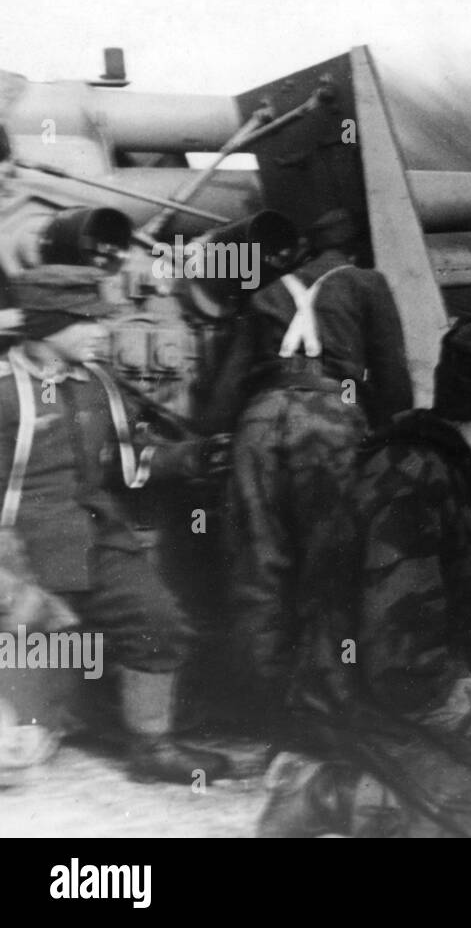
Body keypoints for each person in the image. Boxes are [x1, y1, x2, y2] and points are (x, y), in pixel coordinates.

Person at [258, 317, 471, 837]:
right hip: (357, 698)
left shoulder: (443, 463)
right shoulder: (417, 484)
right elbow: (404, 670)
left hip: (378, 681)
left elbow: (470, 584)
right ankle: (325, 789)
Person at [0, 266, 229, 782]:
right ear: (48, 325)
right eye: (85, 320)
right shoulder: (4, 392)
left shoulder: (96, 385)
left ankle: (153, 746)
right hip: (16, 552)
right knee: (22, 732)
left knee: (158, 620)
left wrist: (192, 457)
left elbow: (129, 461)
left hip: (93, 540)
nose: (99, 330)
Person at [204, 210, 413, 711]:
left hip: (260, 420)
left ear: (307, 248)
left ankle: (263, 702)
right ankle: (328, 701)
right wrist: (398, 437)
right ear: (355, 249)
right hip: (329, 420)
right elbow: (390, 369)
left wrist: (209, 438)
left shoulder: (266, 295)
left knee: (258, 561)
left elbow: (226, 389)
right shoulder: (367, 283)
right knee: (331, 562)